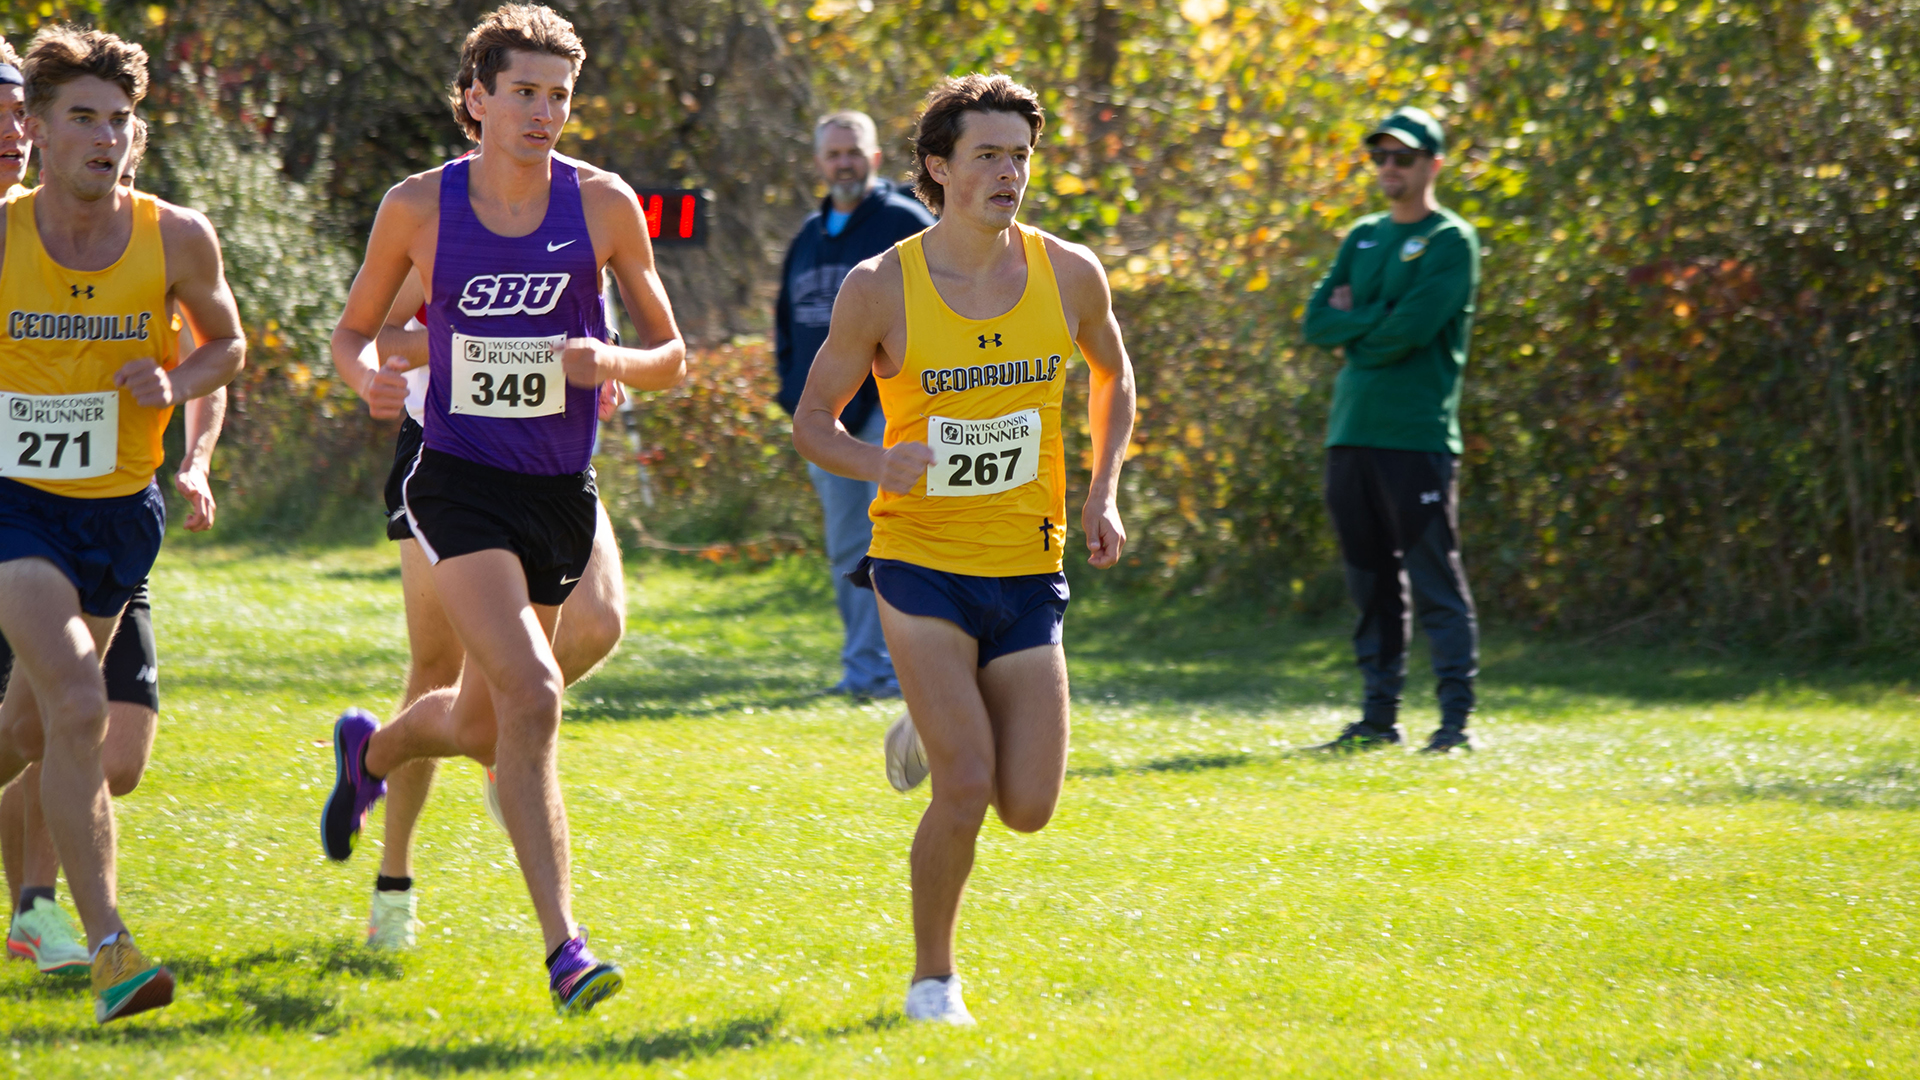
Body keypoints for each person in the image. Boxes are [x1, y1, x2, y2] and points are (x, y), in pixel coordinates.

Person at [321, 3, 685, 1016]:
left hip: (559, 491)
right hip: (457, 479)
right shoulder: (418, 206)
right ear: (476, 99)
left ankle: (376, 752)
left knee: (483, 723)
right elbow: (354, 333)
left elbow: (672, 355)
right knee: (529, 697)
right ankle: (566, 950)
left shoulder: (606, 205)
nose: (543, 112)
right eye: (523, 92)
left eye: (559, 95)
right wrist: (368, 379)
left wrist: (607, 360)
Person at [792, 73, 1136, 1025]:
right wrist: (878, 462)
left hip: (1028, 566)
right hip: (921, 563)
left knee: (1028, 806)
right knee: (969, 784)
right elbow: (813, 423)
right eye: (988, 154)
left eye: (1021, 155)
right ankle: (932, 981)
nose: (1009, 173)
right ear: (938, 170)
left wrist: (1103, 493)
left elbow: (1114, 374)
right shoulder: (880, 288)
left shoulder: (1069, 273)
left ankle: (925, 726)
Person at [0, 23, 246, 1023]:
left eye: (120, 120)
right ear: (41, 133)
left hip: (119, 513)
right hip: (14, 507)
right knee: (75, 701)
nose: (106, 138)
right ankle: (110, 952)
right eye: (83, 119)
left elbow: (226, 347)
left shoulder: (177, 235)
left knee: (25, 725)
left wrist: (175, 379)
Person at [346, 264, 628, 951]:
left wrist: (607, 360)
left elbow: (593, 322)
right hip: (446, 450)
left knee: (597, 621)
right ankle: (394, 885)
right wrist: (398, 363)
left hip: (547, 454)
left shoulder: (583, 203)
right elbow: (375, 331)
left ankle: (503, 732)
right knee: (436, 665)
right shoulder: (435, 210)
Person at [1301, 105, 1481, 754]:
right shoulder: (1364, 236)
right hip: (1350, 435)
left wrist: (1363, 324)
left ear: (1432, 164)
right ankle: (1378, 719)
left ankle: (1454, 724)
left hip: (1417, 438)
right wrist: (1377, 321)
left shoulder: (1451, 241)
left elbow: (1412, 331)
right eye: (1379, 157)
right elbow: (1317, 322)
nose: (1389, 168)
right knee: (1370, 581)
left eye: (1402, 157)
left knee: (1435, 581)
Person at [775, 110, 933, 699]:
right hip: (831, 419)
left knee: (901, 542)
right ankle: (865, 669)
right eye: (833, 153)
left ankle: (908, 672)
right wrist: (797, 397)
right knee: (849, 546)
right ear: (819, 163)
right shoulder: (809, 238)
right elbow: (787, 327)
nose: (843, 162)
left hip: (890, 412)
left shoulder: (905, 223)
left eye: (853, 152)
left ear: (873, 158)